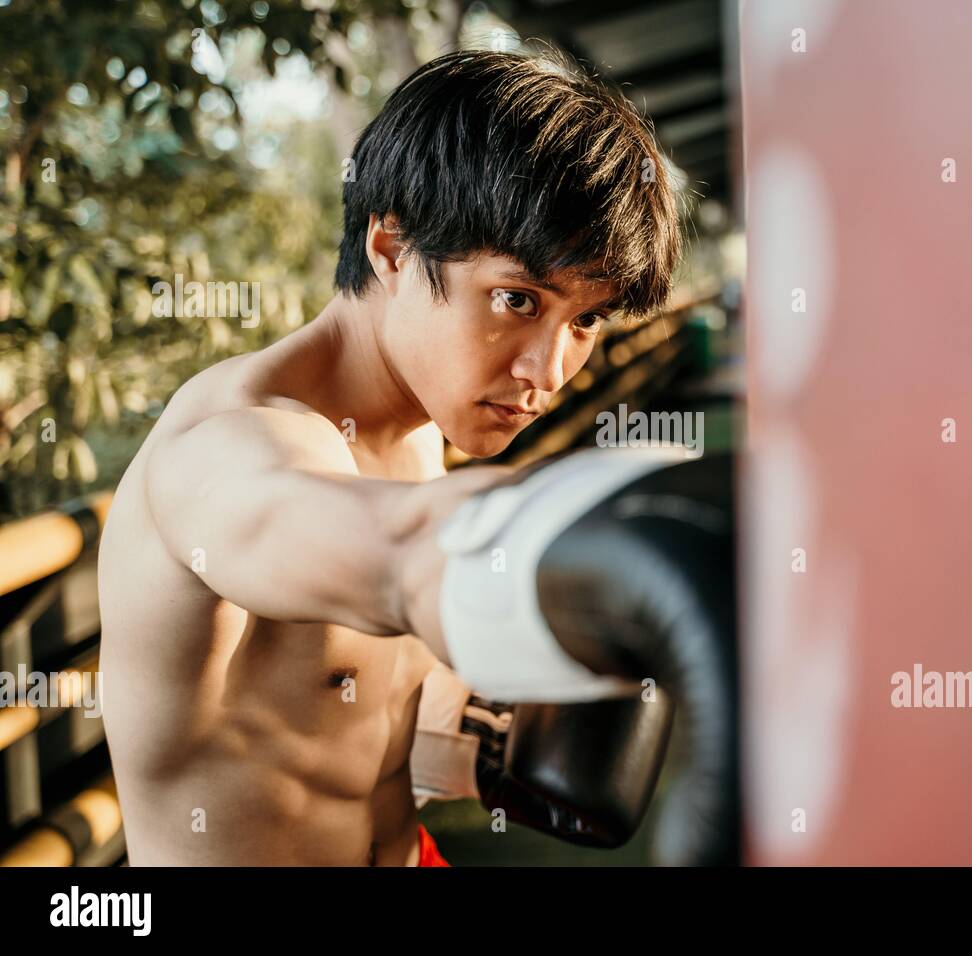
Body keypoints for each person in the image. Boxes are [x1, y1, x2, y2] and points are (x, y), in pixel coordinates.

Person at [97, 49, 681, 866]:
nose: (546, 373)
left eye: (585, 322)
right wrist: (555, 541)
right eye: (518, 300)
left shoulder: (412, 428)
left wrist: (484, 731)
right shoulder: (227, 447)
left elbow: (348, 692)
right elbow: (392, 552)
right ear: (392, 247)